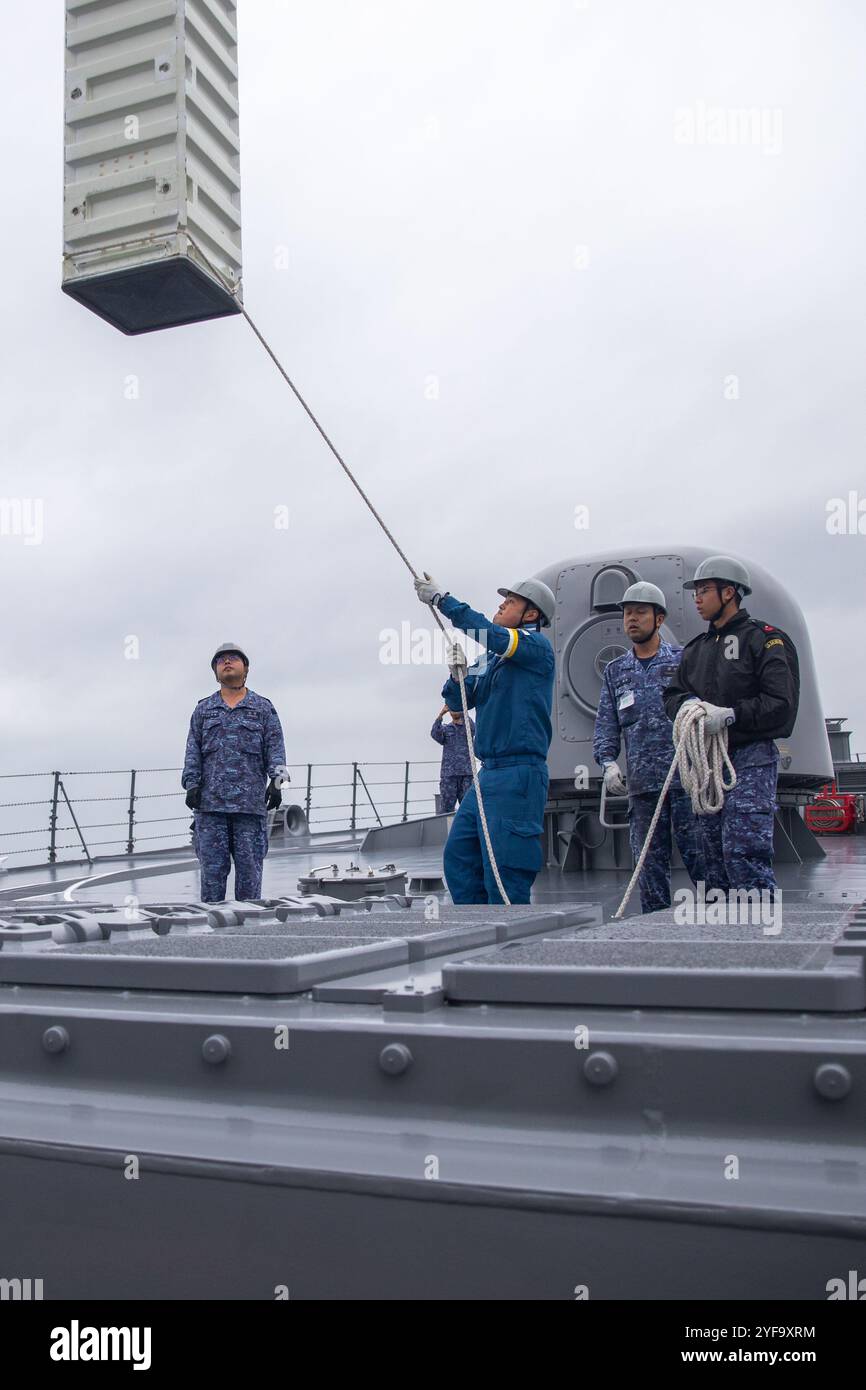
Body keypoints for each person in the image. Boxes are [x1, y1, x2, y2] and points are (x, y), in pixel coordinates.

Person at [414, 573, 556, 904]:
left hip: (519, 774)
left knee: (505, 872)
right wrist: (456, 675)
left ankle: (510, 947)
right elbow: (458, 703)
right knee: (461, 858)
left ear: (531, 615)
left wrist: (442, 600)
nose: (501, 605)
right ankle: (476, 934)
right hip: (488, 775)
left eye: (510, 602)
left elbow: (488, 634)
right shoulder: (490, 660)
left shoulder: (535, 648)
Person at [663, 557, 797, 897]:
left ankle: (762, 936)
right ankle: (722, 940)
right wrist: (687, 706)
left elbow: (781, 705)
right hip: (707, 767)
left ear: (730, 592)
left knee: (744, 853)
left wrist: (731, 714)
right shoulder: (695, 650)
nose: (697, 598)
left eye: (704, 590)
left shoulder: (766, 640)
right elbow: (673, 695)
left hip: (750, 759)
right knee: (711, 863)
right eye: (696, 591)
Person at [593, 582, 702, 913]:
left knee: (700, 855)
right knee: (648, 864)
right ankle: (655, 926)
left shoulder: (685, 660)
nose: (632, 619)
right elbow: (607, 722)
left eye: (640, 612)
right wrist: (608, 762)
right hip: (642, 786)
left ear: (659, 618)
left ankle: (721, 921)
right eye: (627, 613)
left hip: (686, 780)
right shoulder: (616, 671)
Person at [182, 642, 287, 903]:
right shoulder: (203, 710)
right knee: (212, 875)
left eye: (233, 658)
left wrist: (277, 781)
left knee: (250, 875)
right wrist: (191, 784)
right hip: (210, 807)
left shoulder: (262, 708)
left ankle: (250, 931)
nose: (226, 662)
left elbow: (276, 747)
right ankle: (211, 931)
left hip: (249, 807)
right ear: (216, 673)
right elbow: (192, 749)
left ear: (246, 668)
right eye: (220, 661)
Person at [431, 704, 475, 812]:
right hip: (449, 775)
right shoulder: (446, 729)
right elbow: (434, 734)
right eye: (452, 709)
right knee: (446, 809)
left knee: (469, 808)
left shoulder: (468, 728)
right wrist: (440, 715)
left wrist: (463, 709)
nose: (454, 711)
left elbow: (473, 728)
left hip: (466, 774)